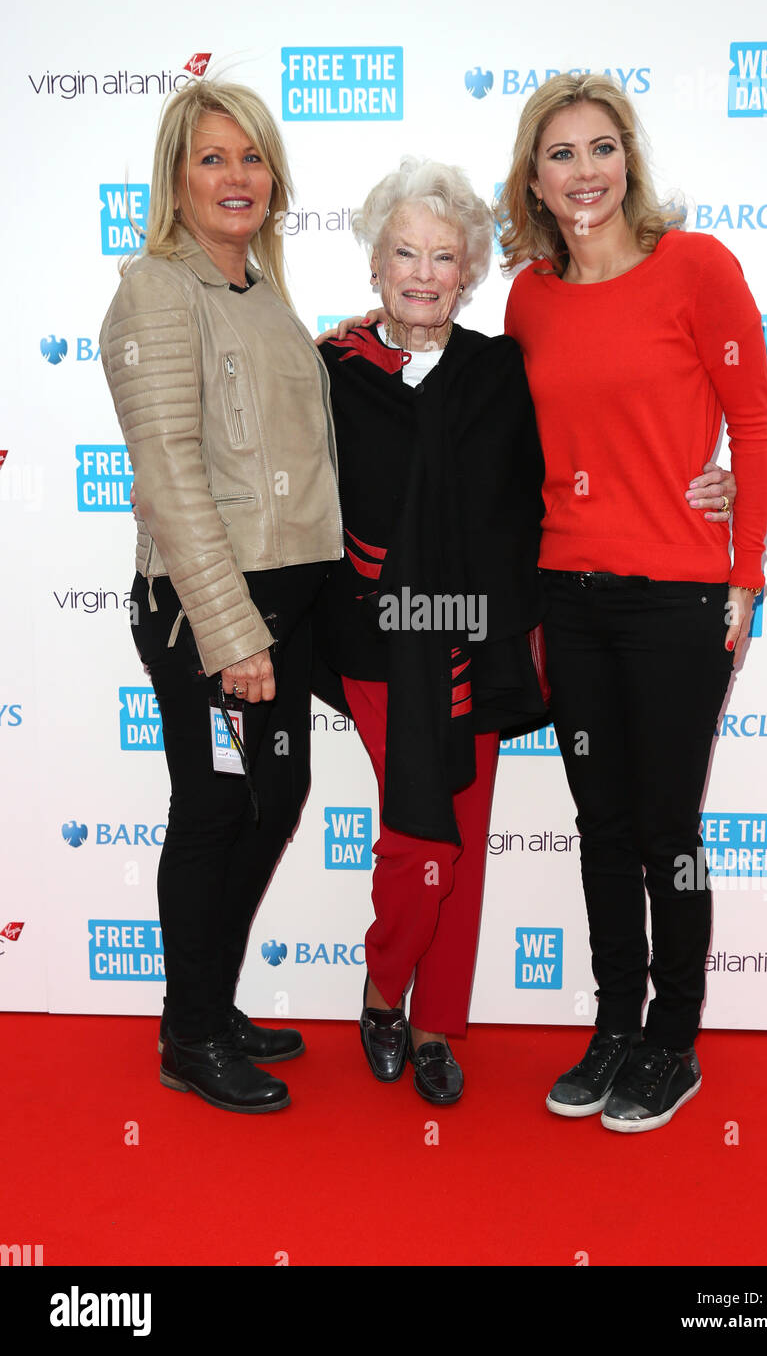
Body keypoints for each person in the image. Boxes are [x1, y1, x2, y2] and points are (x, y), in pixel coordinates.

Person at [498, 73, 767, 1131]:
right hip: (566, 599)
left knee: (669, 826)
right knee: (599, 822)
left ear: (629, 160)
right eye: (560, 153)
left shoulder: (694, 266)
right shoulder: (528, 294)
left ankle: (674, 1040)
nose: (585, 172)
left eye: (601, 147)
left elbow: (749, 426)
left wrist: (742, 570)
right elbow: (500, 423)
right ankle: (614, 1023)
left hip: (677, 602)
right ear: (533, 176)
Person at [100, 79, 342, 1114]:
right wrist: (227, 631)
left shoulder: (261, 292)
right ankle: (189, 1034)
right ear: (176, 178)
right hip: (209, 609)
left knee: (273, 796)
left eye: (250, 158)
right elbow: (167, 473)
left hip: (283, 609)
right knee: (211, 808)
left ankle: (210, 998)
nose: (235, 177)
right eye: (211, 159)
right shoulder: (157, 291)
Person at [314, 159, 548, 1104]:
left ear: (469, 271)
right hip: (376, 643)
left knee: (467, 833)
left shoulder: (499, 373)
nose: (421, 272)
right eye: (403, 252)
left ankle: (435, 1024)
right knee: (425, 843)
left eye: (442, 256)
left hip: (477, 641)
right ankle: (382, 988)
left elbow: (565, 477)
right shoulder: (331, 370)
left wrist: (713, 480)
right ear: (374, 265)